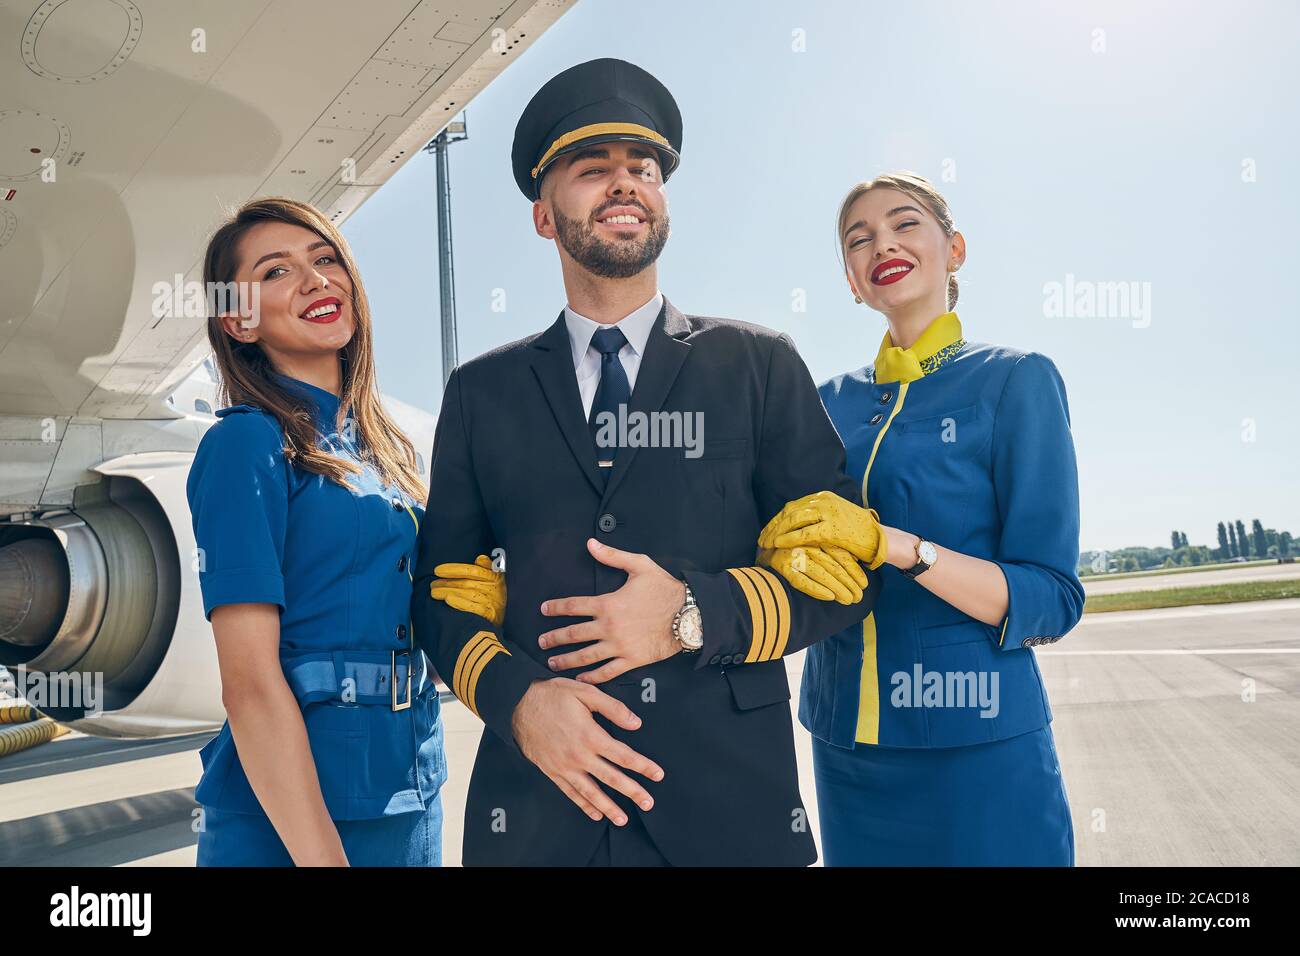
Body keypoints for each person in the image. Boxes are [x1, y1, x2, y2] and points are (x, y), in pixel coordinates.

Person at [412, 58, 886, 866]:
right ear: (543, 217)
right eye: (593, 171)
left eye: (644, 171)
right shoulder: (480, 392)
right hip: (538, 816)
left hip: (728, 817)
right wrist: (519, 702)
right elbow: (442, 593)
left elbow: (838, 566)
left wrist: (691, 613)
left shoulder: (758, 363)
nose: (625, 185)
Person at [758, 171, 1083, 865]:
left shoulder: (1015, 380)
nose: (883, 244)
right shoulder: (821, 402)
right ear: (851, 280)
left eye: (905, 224)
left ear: (954, 248)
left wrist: (898, 547)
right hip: (847, 751)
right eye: (859, 239)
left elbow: (1050, 599)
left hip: (981, 752)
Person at [187, 198, 445, 866]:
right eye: (277, 272)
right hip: (291, 822)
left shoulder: (388, 454)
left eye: (326, 259)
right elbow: (247, 682)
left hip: (410, 791)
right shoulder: (247, 443)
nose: (314, 280)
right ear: (239, 320)